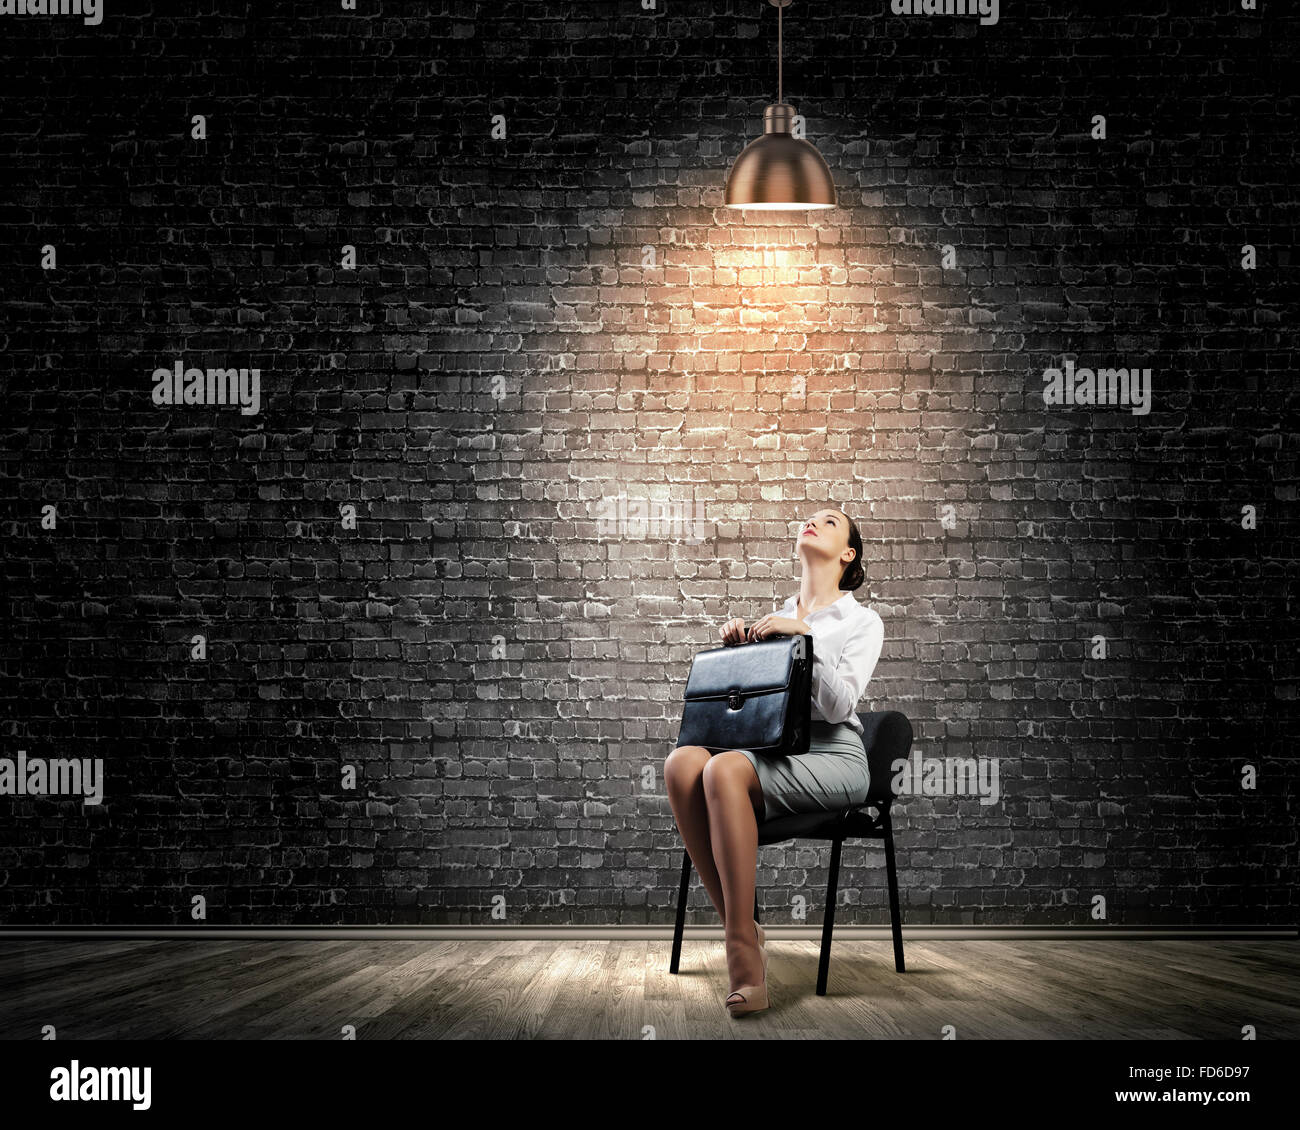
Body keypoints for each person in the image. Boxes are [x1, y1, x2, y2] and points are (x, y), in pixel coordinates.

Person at [664, 506, 885, 1016]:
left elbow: (837, 707)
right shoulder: (778, 613)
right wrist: (739, 660)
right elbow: (757, 715)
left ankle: (742, 956)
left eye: (830, 521)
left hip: (836, 756)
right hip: (776, 751)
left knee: (722, 769)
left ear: (848, 553)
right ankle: (743, 927)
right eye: (810, 517)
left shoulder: (861, 621)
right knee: (681, 764)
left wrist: (801, 639)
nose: (814, 521)